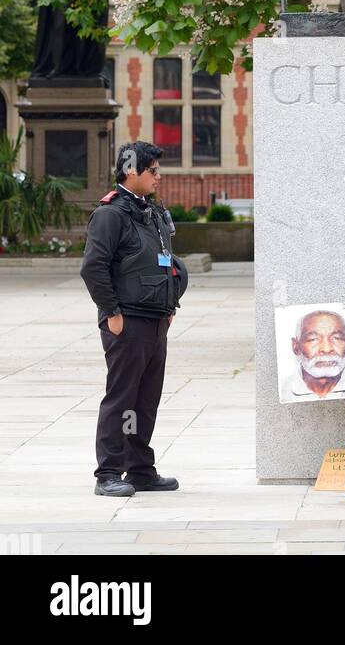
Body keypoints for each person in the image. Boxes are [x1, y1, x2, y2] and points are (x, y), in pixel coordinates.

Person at [80, 142, 188, 496]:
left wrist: (170, 307)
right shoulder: (111, 214)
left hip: (155, 319)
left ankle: (139, 468)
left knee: (145, 399)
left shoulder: (150, 212)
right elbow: (93, 268)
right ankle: (108, 473)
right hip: (126, 320)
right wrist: (112, 312)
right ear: (131, 171)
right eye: (152, 170)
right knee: (122, 396)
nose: (159, 176)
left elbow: (165, 259)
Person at [289, 309, 345, 399]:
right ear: (295, 347)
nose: (326, 349)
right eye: (313, 339)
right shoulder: (283, 391)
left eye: (336, 338)